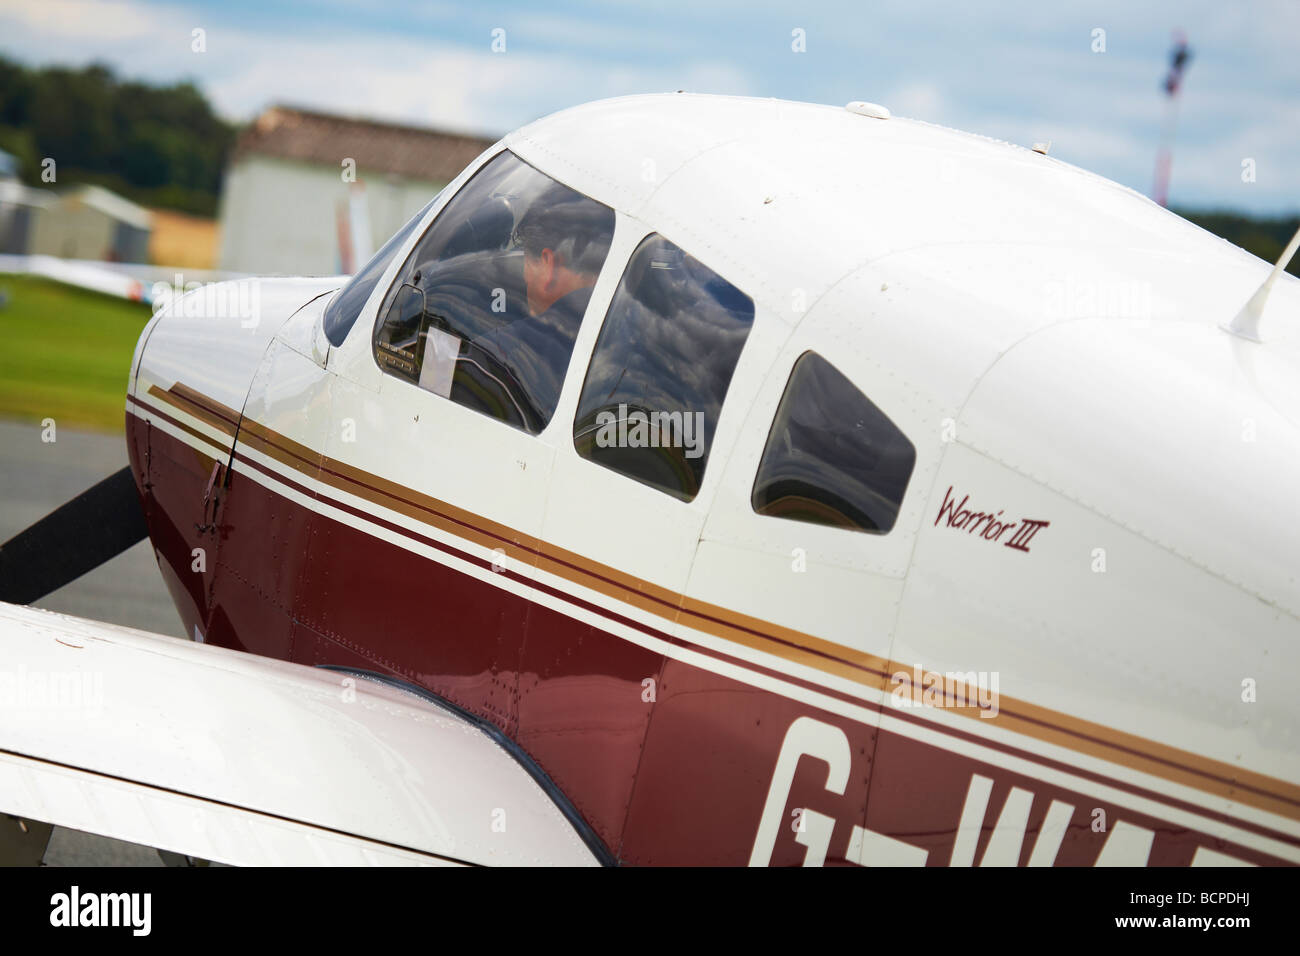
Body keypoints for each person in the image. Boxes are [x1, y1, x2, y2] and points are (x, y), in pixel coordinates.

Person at [450, 191, 614, 432]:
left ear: (548, 265)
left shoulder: (492, 359)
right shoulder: (634, 350)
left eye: (526, 261)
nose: (524, 276)